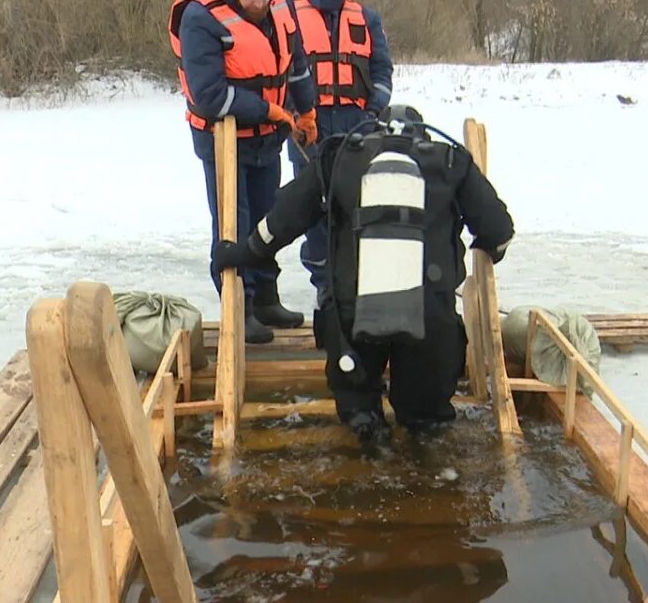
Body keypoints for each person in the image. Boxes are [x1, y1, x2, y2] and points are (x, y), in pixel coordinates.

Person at [211, 106, 515, 441]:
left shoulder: (338, 158)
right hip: (431, 327)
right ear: (422, 134)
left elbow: (283, 219)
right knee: (427, 426)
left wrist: (241, 252)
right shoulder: (451, 163)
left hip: (350, 327)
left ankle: (364, 425)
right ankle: (428, 457)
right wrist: (488, 248)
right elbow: (499, 230)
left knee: (361, 421)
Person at [169, 0, 319, 344]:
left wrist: (306, 110)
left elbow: (296, 61)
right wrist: (270, 111)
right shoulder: (200, 17)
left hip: (267, 139)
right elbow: (210, 95)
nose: (261, 3)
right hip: (223, 139)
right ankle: (242, 306)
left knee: (269, 217)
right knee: (233, 224)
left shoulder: (280, 2)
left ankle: (267, 296)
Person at [290, 0, 394, 297]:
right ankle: (325, 290)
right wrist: (295, 115)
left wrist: (374, 110)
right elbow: (281, 69)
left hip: (357, 123)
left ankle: (356, 290)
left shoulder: (367, 18)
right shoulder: (291, 15)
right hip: (310, 124)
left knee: (357, 208)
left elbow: (382, 71)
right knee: (314, 209)